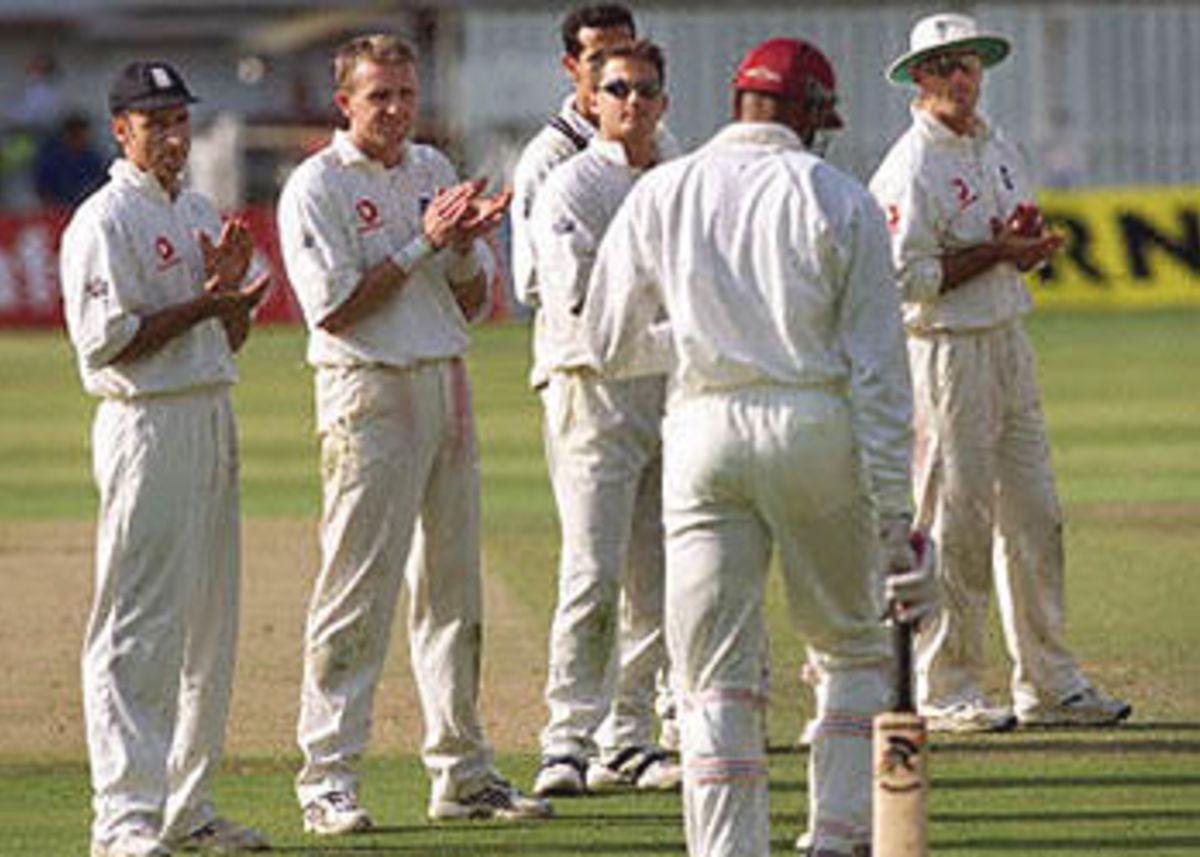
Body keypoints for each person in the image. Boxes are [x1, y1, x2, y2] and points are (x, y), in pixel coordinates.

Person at [580, 36, 937, 857]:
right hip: (812, 425)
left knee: (711, 677)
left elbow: (604, 343)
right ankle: (837, 838)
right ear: (809, 115)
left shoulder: (665, 188)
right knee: (851, 647)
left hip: (701, 429)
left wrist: (707, 340)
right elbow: (880, 377)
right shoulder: (837, 195)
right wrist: (895, 518)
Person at [277, 34, 552, 836]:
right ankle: (326, 777)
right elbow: (332, 306)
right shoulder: (316, 185)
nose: (397, 111)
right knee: (357, 590)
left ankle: (462, 773)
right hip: (366, 387)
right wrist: (425, 241)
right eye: (379, 97)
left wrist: (464, 245)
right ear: (346, 103)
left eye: (406, 94)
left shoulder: (432, 169)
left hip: (445, 378)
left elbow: (468, 300)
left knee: (453, 589)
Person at [870, 12, 1132, 733]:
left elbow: (1004, 227)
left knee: (1036, 513)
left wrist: (1024, 242)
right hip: (944, 350)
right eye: (945, 65)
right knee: (954, 519)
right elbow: (904, 278)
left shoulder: (997, 142)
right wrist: (997, 254)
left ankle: (1049, 683)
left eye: (971, 64)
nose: (961, 77)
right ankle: (944, 684)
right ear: (919, 76)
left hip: (1008, 339)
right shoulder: (909, 165)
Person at [60, 61, 272, 857]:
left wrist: (223, 298)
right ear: (123, 129)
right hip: (145, 425)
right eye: (156, 122)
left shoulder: (195, 207)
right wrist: (206, 302)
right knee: (136, 624)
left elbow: (225, 335)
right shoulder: (104, 218)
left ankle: (188, 806)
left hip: (211, 410)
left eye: (180, 120)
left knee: (210, 622)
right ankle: (122, 818)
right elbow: (108, 341)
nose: (174, 136)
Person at [511, 0, 682, 756]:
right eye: (614, 82)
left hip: (665, 389)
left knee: (659, 570)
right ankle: (569, 735)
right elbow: (553, 292)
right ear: (580, 75)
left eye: (643, 86)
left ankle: (631, 729)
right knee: (592, 567)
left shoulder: (673, 164)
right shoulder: (558, 172)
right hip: (586, 380)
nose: (630, 101)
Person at [34, 112, 108, 209]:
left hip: (87, 208)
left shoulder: (92, 159)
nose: (81, 138)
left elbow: (100, 186)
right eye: (76, 134)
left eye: (83, 133)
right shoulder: (52, 160)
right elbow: (44, 190)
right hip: (58, 212)